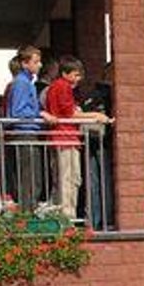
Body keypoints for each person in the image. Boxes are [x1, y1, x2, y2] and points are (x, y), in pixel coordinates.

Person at [43, 56, 111, 220]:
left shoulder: (56, 87)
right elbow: (71, 114)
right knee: (70, 180)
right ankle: (67, 218)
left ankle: (63, 215)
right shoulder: (63, 87)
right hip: (65, 138)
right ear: (65, 73)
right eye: (76, 75)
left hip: (62, 138)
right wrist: (97, 115)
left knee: (67, 179)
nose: (78, 79)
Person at [7, 45, 49, 210]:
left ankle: (29, 211)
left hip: (30, 133)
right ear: (25, 64)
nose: (39, 65)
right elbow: (18, 111)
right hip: (24, 134)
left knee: (35, 178)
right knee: (29, 178)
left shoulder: (26, 83)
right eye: (36, 62)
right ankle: (26, 215)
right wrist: (40, 115)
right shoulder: (21, 83)